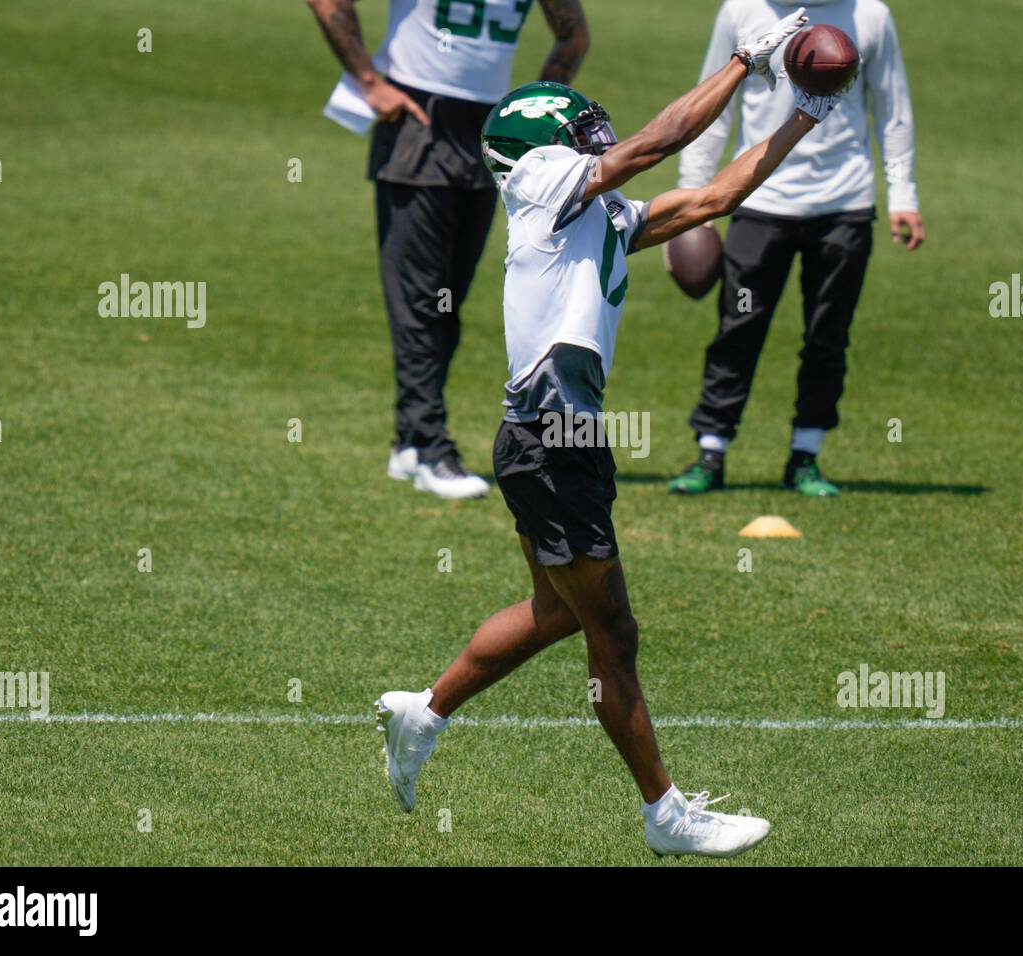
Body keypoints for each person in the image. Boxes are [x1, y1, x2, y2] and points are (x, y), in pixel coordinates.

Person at [374, 6, 844, 857]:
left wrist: (806, 114)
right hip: (551, 444)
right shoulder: (538, 189)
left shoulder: (598, 214)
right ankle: (665, 814)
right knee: (612, 634)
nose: (597, 133)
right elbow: (658, 144)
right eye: (580, 129)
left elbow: (714, 195)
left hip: (557, 442)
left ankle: (425, 711)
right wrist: (744, 63)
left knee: (556, 613)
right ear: (546, 147)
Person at [306, 0, 590, 498]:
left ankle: (411, 442)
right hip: (418, 114)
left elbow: (574, 35)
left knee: (448, 300)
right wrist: (369, 81)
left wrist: (534, 115)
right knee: (418, 299)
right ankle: (431, 448)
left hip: (489, 128)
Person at [668, 0, 923, 497]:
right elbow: (711, 103)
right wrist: (692, 201)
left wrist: (903, 195)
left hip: (844, 203)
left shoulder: (870, 15)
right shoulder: (740, 10)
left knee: (828, 334)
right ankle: (711, 450)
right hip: (759, 197)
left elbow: (893, 107)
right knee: (737, 327)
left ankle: (806, 456)